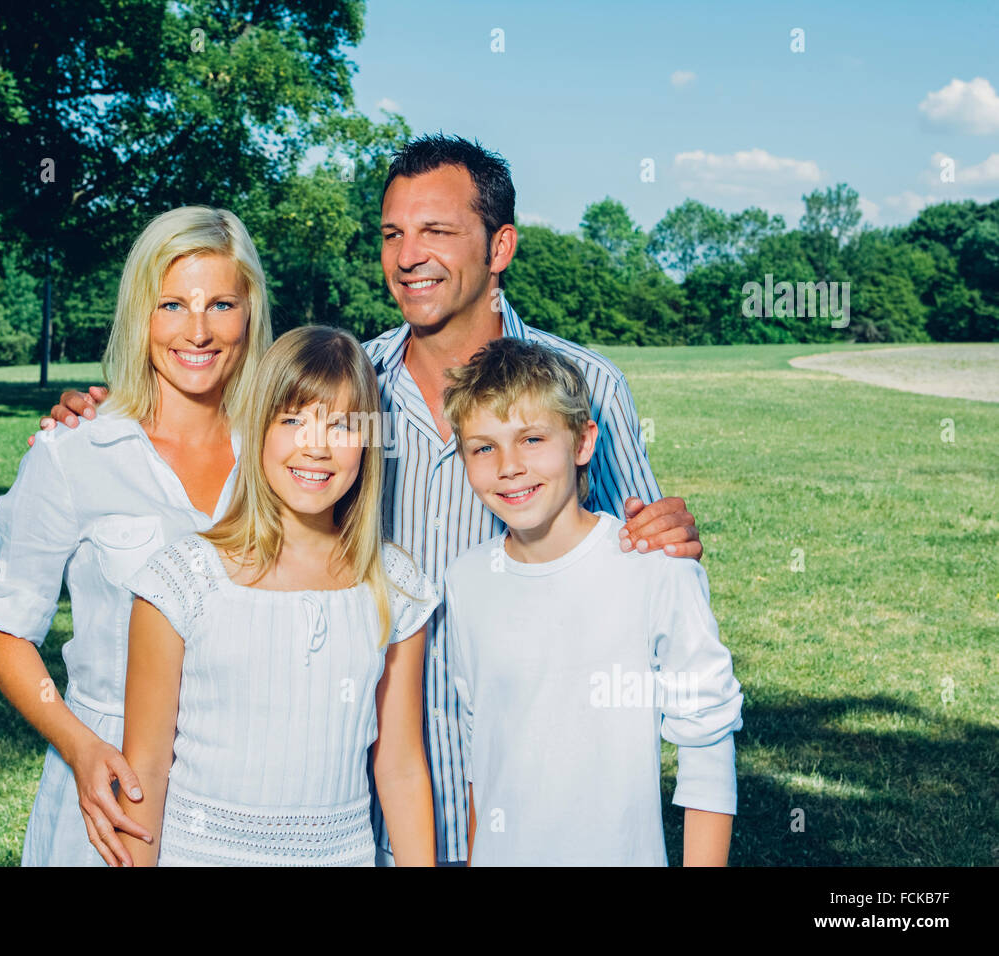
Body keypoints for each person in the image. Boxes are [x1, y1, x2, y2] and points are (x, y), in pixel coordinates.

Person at [42, 134, 705, 864]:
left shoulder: (587, 387)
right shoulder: (355, 387)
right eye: (393, 234)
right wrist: (109, 413)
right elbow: (231, 407)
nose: (408, 254)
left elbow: (646, 568)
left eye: (437, 232)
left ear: (501, 246)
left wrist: (663, 534)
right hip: (363, 817)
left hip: (529, 801)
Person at [0, 206, 272, 866]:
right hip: (113, 783)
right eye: (172, 304)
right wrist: (80, 747)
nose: (197, 330)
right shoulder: (73, 452)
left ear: (250, 312)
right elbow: (5, 631)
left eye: (221, 303)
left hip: (248, 782)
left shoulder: (284, 452)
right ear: (141, 313)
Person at [117, 325, 439, 866]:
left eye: (340, 425)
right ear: (257, 429)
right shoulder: (182, 579)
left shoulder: (395, 585)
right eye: (292, 420)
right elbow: (144, 769)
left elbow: (401, 765)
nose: (316, 445)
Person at [442, 338, 743, 865]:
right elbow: (480, 751)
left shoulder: (654, 567)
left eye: (532, 438)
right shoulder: (466, 582)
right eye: (483, 447)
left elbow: (708, 740)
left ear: (583, 443)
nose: (509, 466)